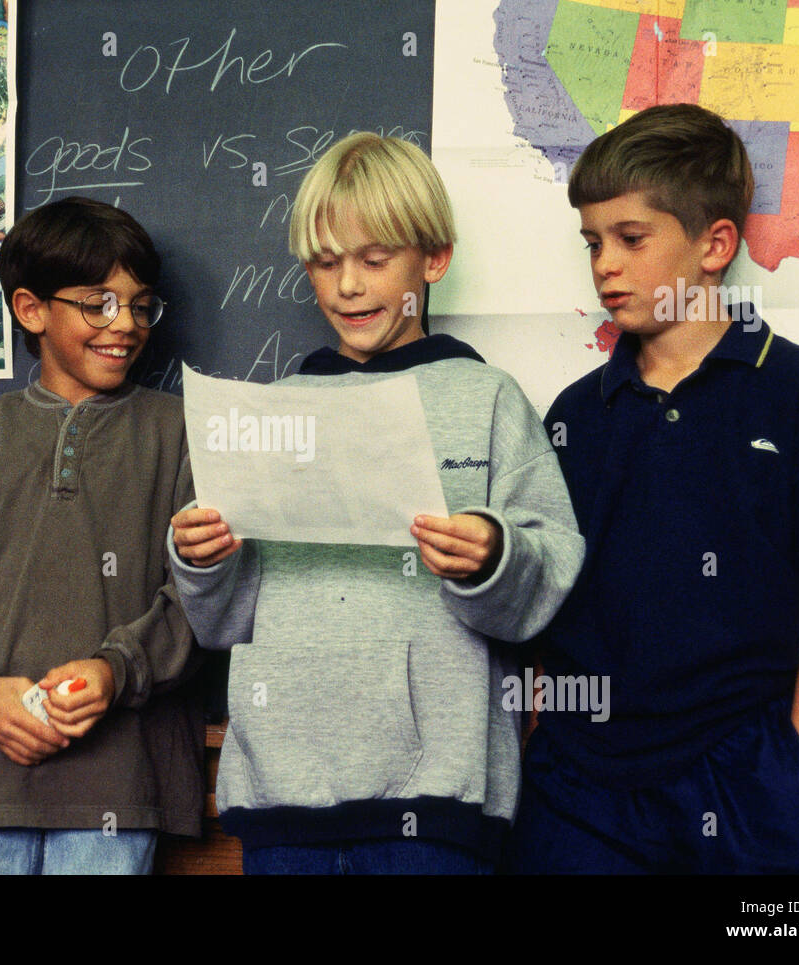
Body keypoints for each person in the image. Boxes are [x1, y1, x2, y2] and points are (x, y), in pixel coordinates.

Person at [511, 103, 799, 873]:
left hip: (750, 780)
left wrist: (797, 770)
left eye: (631, 238)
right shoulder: (573, 416)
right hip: (585, 787)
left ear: (715, 244)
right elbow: (544, 601)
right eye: (593, 242)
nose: (605, 264)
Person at [169, 133, 584, 874]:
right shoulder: (272, 411)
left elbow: (549, 570)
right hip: (280, 797)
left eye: (373, 258)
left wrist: (493, 557)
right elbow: (222, 621)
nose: (348, 286)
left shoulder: (487, 400)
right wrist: (200, 561)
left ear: (433, 259)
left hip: (435, 801)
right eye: (326, 263)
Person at [0, 197, 202, 875]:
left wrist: (115, 667)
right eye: (99, 303)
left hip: (119, 787)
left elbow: (200, 595)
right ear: (32, 310)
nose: (125, 324)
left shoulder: (183, 434)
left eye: (140, 304)